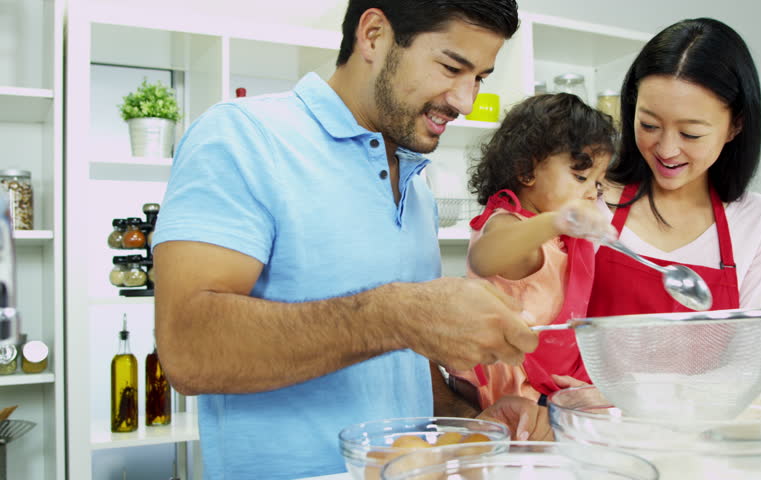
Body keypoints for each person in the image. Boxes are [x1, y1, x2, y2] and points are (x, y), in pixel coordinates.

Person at [151, 1, 549, 479]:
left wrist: (469, 424)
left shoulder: (416, 184)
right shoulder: (243, 136)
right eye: (450, 67)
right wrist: (399, 316)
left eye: (480, 77)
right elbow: (188, 348)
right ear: (375, 34)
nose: (465, 101)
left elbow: (403, 363)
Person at [589, 18, 761, 319]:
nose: (666, 150)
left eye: (691, 134)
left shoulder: (757, 220)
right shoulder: (591, 200)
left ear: (736, 125)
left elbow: (752, 355)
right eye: (649, 125)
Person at [448, 93, 617, 410]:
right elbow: (483, 258)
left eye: (597, 183)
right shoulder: (510, 224)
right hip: (512, 387)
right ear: (526, 171)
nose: (589, 192)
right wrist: (557, 221)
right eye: (580, 176)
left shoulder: (560, 238)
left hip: (547, 378)